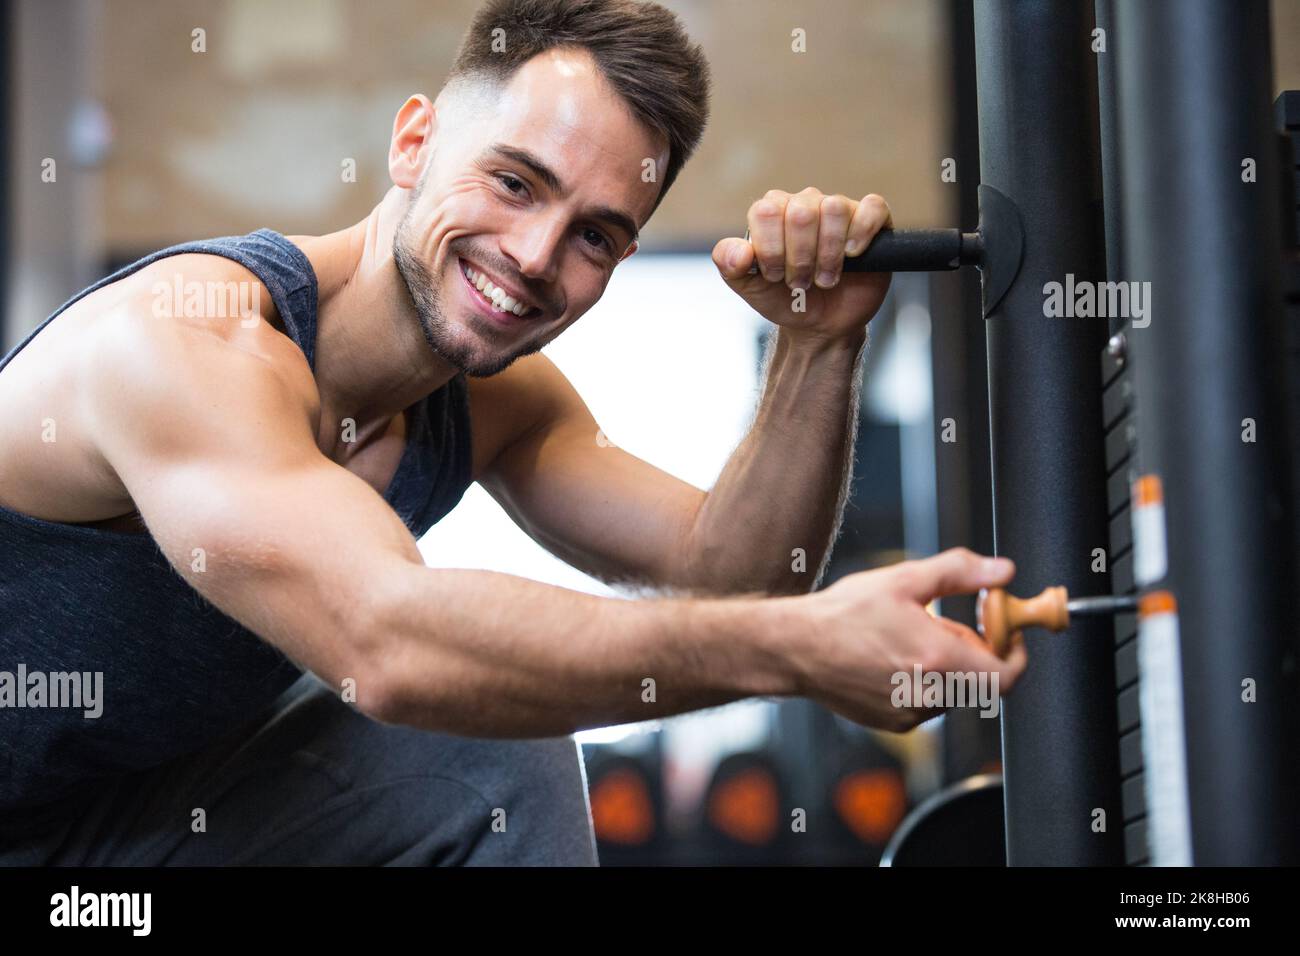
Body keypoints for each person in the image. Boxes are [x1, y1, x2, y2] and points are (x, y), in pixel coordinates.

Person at [0, 0, 1026, 865]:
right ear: (413, 142)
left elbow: (739, 579)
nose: (535, 255)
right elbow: (389, 642)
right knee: (451, 698)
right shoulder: (191, 341)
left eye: (594, 235)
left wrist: (818, 347)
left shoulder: (496, 406)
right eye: (513, 181)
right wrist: (801, 649)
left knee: (495, 755)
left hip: (111, 842)